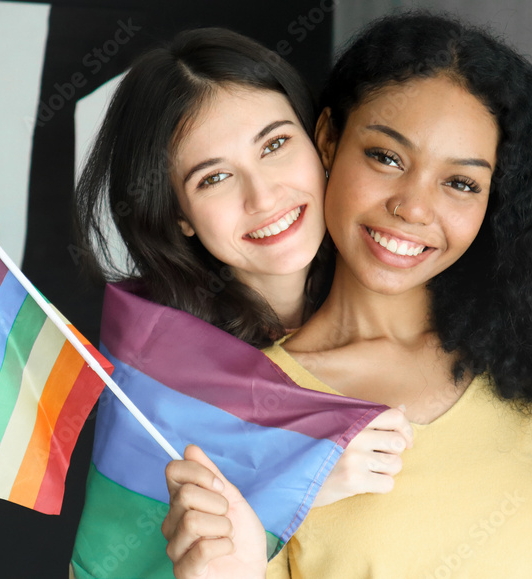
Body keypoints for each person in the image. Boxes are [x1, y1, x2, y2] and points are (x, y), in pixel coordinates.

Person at [160, 11, 532, 578]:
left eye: (460, 183)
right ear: (328, 139)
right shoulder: (241, 410)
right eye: (387, 158)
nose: (415, 208)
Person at [69, 28, 414, 578]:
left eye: (276, 145)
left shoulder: (418, 305)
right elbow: (116, 568)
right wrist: (298, 478)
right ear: (178, 214)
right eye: (215, 178)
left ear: (320, 142)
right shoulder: (158, 387)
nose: (263, 196)